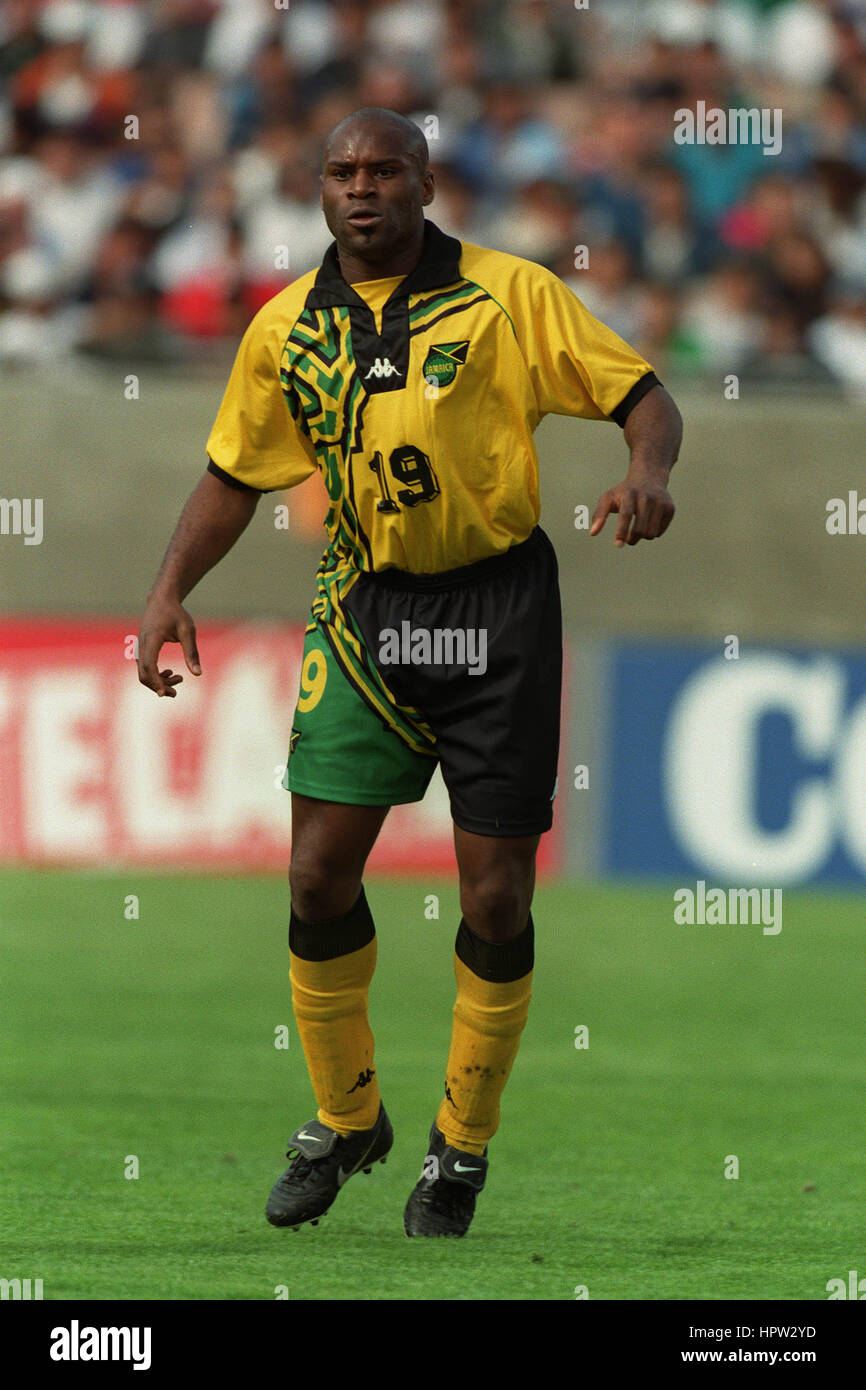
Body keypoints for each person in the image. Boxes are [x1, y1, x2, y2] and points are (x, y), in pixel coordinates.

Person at [136, 107, 682, 1238]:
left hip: (497, 613)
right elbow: (235, 472)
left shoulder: (508, 295)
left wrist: (646, 470)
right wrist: (167, 590)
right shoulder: (284, 328)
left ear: (425, 183)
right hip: (364, 609)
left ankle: (460, 1149)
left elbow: (642, 394)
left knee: (494, 893)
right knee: (313, 879)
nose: (360, 187)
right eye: (340, 171)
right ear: (319, 189)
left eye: (384, 169)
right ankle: (345, 1119)